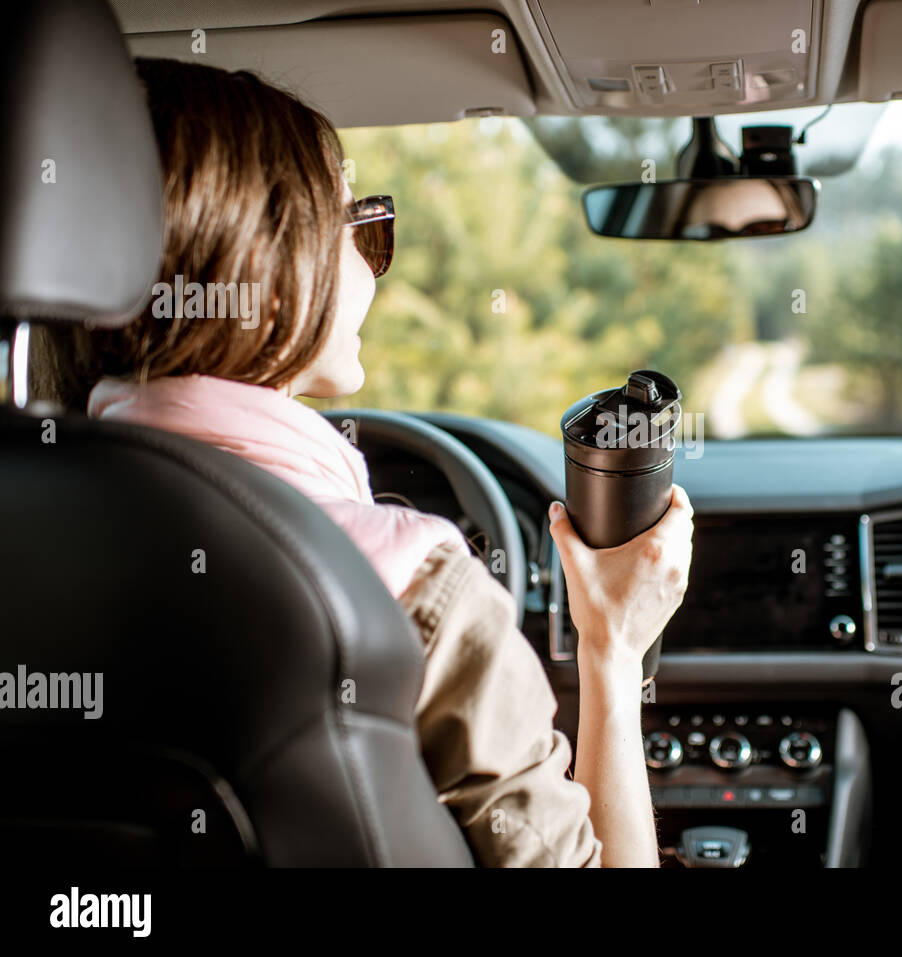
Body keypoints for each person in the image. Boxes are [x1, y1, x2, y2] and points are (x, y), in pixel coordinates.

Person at [30, 57, 693, 867]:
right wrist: (613, 650)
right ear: (270, 281)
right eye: (359, 227)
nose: (374, 266)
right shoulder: (411, 590)